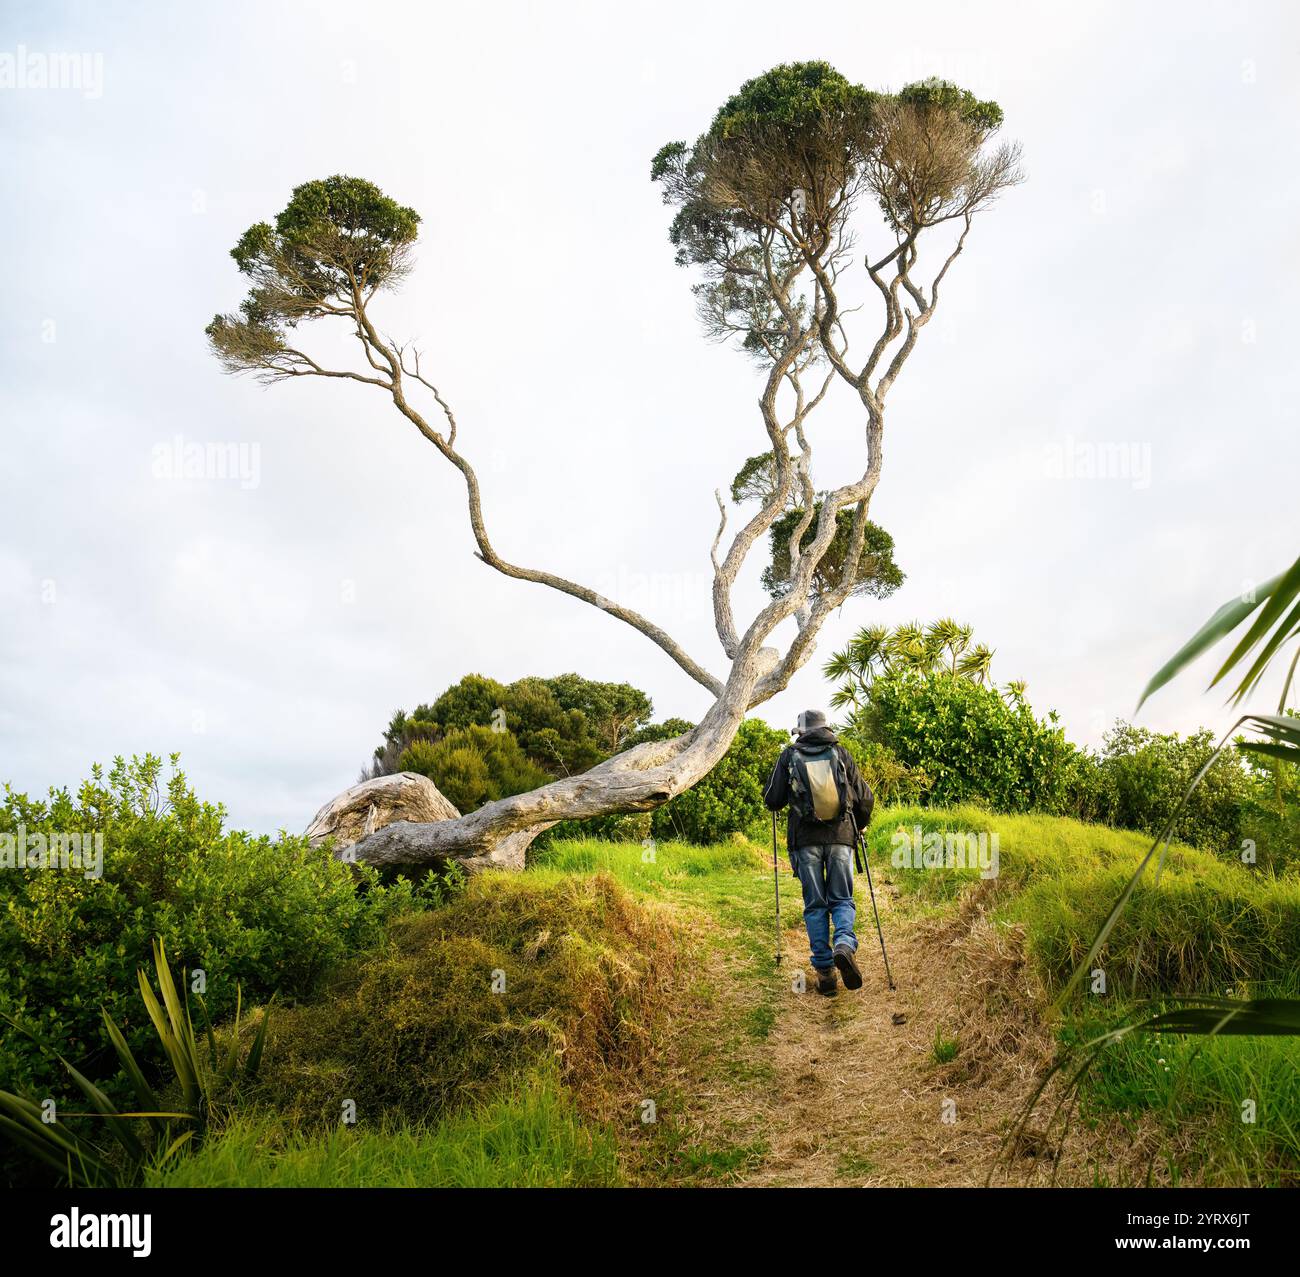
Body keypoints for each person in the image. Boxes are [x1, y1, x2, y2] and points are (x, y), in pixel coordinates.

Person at [763, 709, 874, 996]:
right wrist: (860, 826)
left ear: (800, 731)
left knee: (816, 905)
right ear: (826, 728)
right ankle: (844, 945)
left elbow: (772, 800)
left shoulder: (789, 756)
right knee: (842, 899)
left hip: (805, 841)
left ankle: (825, 975)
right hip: (840, 838)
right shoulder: (841, 753)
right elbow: (864, 798)